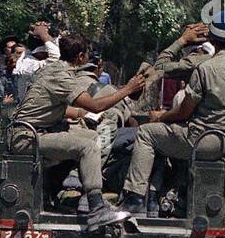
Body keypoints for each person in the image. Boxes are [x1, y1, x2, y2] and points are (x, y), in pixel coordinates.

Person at [121, 12, 225, 215]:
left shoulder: (205, 68)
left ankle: (134, 199)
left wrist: (160, 117)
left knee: (147, 134)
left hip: (200, 140)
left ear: (211, 38)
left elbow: (183, 111)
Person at [10, 33, 146, 226]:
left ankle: (64, 190)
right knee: (87, 147)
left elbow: (55, 107)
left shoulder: (53, 69)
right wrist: (127, 89)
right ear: (81, 57)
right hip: (27, 137)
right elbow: (96, 106)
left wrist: (82, 114)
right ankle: (97, 207)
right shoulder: (60, 76)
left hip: (32, 132)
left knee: (91, 136)